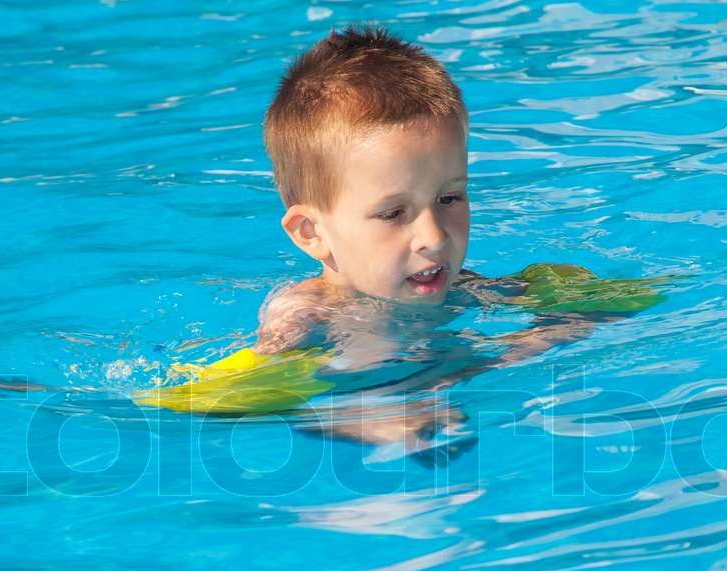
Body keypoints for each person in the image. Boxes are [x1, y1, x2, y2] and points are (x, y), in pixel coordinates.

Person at [251, 24, 606, 448]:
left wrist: (519, 346)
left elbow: (598, 304)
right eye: (393, 213)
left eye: (449, 198)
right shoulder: (306, 311)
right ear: (312, 233)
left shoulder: (464, 286)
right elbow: (263, 397)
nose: (433, 237)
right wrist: (370, 422)